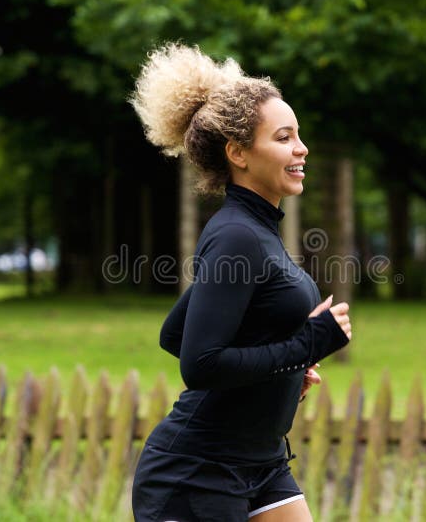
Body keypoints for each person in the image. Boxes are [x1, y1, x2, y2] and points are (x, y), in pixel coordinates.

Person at [129, 43, 353, 522]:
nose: (301, 148)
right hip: (198, 473)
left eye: (299, 136)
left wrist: (283, 371)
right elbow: (200, 363)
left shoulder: (256, 232)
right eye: (284, 137)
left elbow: (174, 333)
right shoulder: (237, 235)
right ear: (238, 153)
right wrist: (305, 345)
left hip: (261, 463)